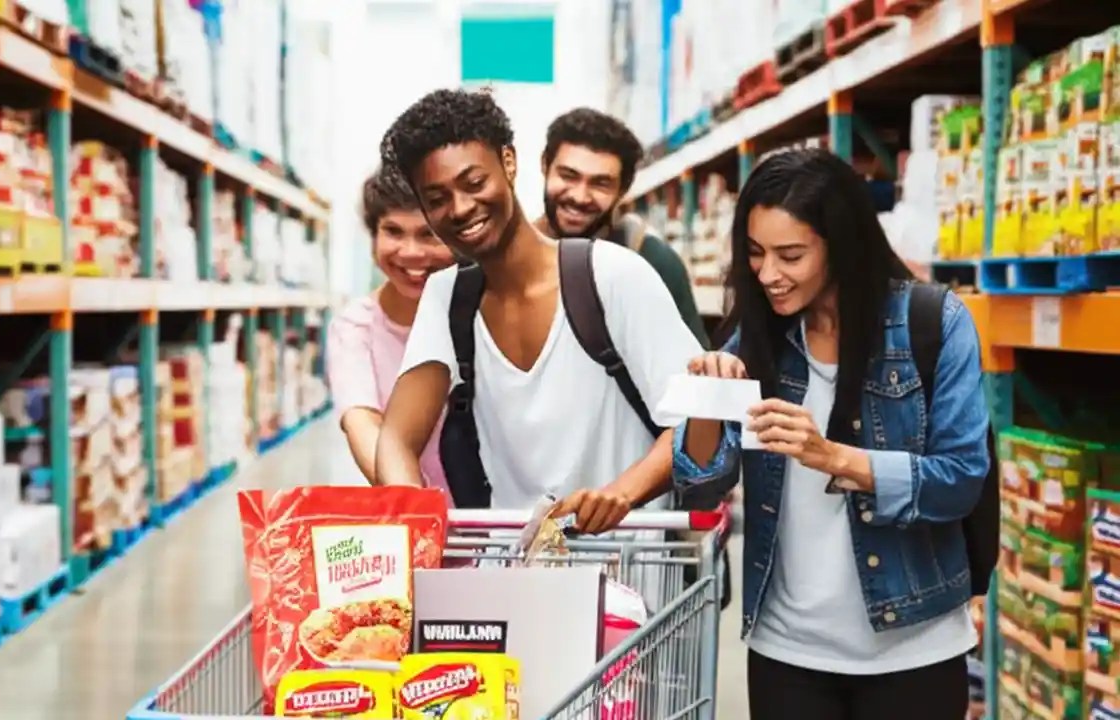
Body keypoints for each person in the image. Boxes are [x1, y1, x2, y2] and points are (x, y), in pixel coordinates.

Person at [665, 148, 990, 719]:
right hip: (786, 653)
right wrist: (708, 403)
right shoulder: (759, 336)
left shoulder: (933, 323)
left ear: (840, 245)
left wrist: (834, 456)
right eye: (756, 254)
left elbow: (960, 481)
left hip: (913, 649)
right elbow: (704, 485)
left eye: (790, 255)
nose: (768, 274)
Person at [372, 87, 723, 530]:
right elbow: (397, 438)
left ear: (510, 162)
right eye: (436, 199)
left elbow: (694, 419)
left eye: (474, 183)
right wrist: (413, 522)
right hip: (513, 573)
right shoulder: (447, 298)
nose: (460, 208)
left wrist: (621, 493)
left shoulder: (613, 276)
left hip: (623, 570)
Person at [325, 165, 456, 495]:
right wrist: (413, 503)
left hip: (499, 522)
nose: (411, 252)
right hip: (413, 514)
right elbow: (363, 422)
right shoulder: (356, 328)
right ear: (373, 239)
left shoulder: (486, 312)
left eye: (428, 234)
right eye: (394, 232)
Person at [536, 107, 711, 348]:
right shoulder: (507, 260)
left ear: (624, 188)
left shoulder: (653, 262)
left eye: (600, 183)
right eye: (568, 176)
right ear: (545, 166)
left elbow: (692, 371)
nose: (580, 196)